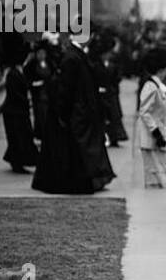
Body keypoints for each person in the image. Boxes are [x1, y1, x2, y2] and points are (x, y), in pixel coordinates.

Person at [32, 29, 116, 195]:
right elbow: (66, 89)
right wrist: (63, 113)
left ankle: (85, 180)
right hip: (75, 113)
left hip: (77, 112)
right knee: (75, 151)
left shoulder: (75, 54)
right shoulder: (72, 56)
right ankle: (80, 182)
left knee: (77, 151)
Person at [135, 47, 166, 188]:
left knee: (159, 173)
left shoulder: (156, 86)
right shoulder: (151, 87)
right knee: (156, 174)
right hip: (152, 137)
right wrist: (156, 132)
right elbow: (144, 111)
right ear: (161, 69)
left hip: (156, 137)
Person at [0, 45, 39, 173]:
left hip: (18, 110)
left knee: (21, 137)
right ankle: (17, 162)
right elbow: (14, 93)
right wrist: (26, 100)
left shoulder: (19, 72)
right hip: (14, 110)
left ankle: (17, 161)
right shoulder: (13, 74)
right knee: (18, 137)